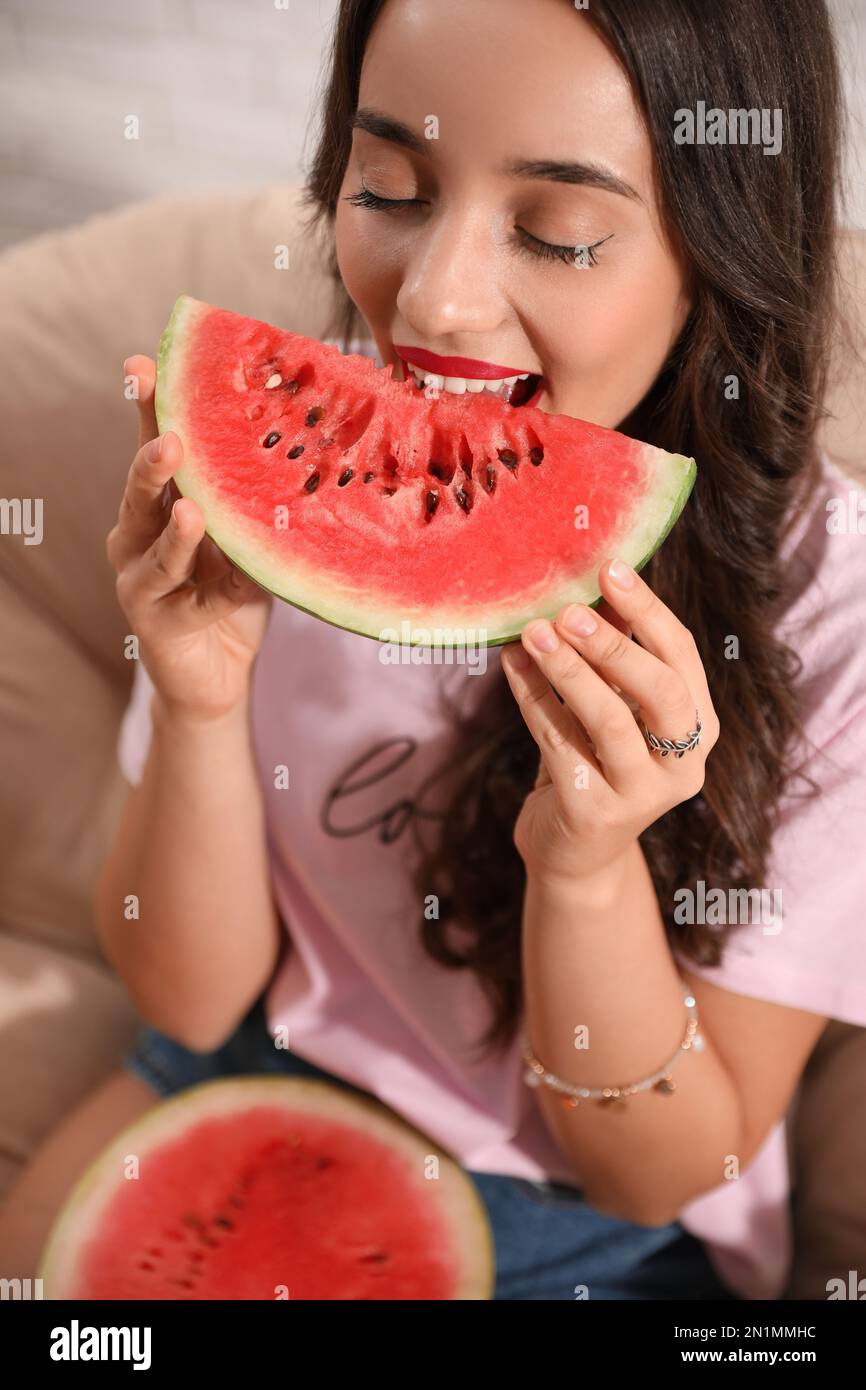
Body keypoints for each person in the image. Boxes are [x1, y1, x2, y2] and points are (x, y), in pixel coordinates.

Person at [2, 0, 864, 1301]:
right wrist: (194, 696)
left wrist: (580, 866)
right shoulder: (295, 484)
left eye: (556, 232)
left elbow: (662, 1167)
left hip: (579, 1216)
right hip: (253, 1064)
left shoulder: (827, 612)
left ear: (724, 246)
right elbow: (188, 998)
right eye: (388, 188)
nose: (438, 296)